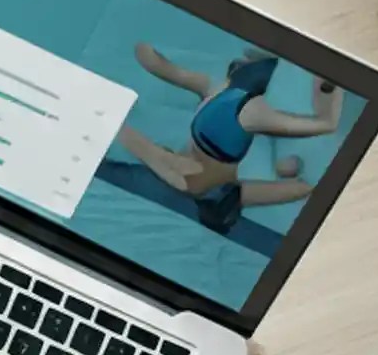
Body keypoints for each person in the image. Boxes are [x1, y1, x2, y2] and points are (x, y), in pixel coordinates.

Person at [108, 42, 342, 235]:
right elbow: (147, 150)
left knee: (309, 126)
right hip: (219, 126)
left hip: (227, 130)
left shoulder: (221, 189)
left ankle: (322, 100)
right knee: (183, 76)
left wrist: (290, 173)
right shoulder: (190, 184)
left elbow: (301, 188)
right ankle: (319, 101)